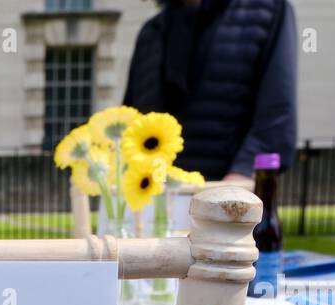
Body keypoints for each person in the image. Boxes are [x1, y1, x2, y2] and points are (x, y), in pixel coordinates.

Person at [123, 0, 298, 181]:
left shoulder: (268, 12)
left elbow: (276, 117)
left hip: (232, 198)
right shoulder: (151, 33)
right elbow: (131, 124)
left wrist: (239, 179)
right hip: (159, 200)